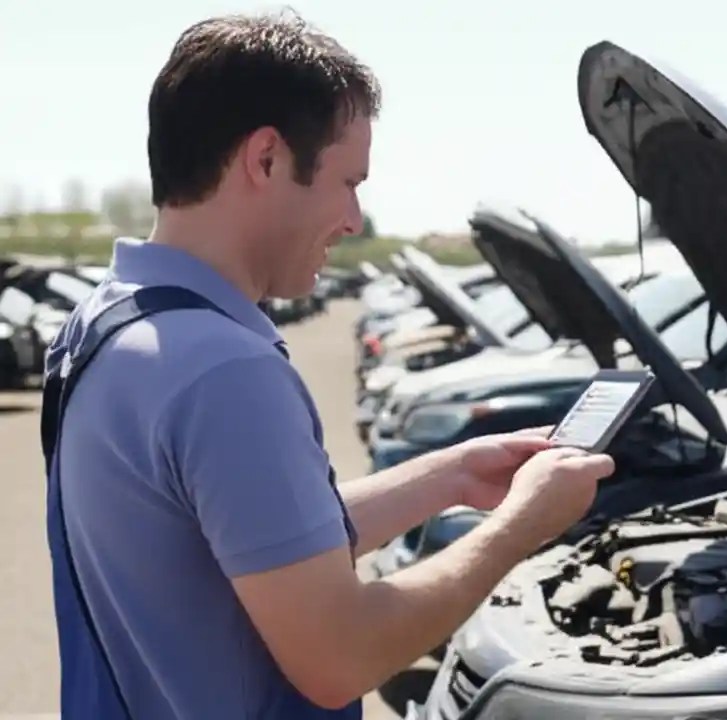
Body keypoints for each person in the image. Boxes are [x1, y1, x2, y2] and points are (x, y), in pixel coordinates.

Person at [41, 11, 615, 719]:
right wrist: (520, 525)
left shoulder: (107, 326)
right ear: (267, 160)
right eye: (348, 181)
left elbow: (256, 546)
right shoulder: (223, 371)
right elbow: (341, 656)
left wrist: (454, 476)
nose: (353, 219)